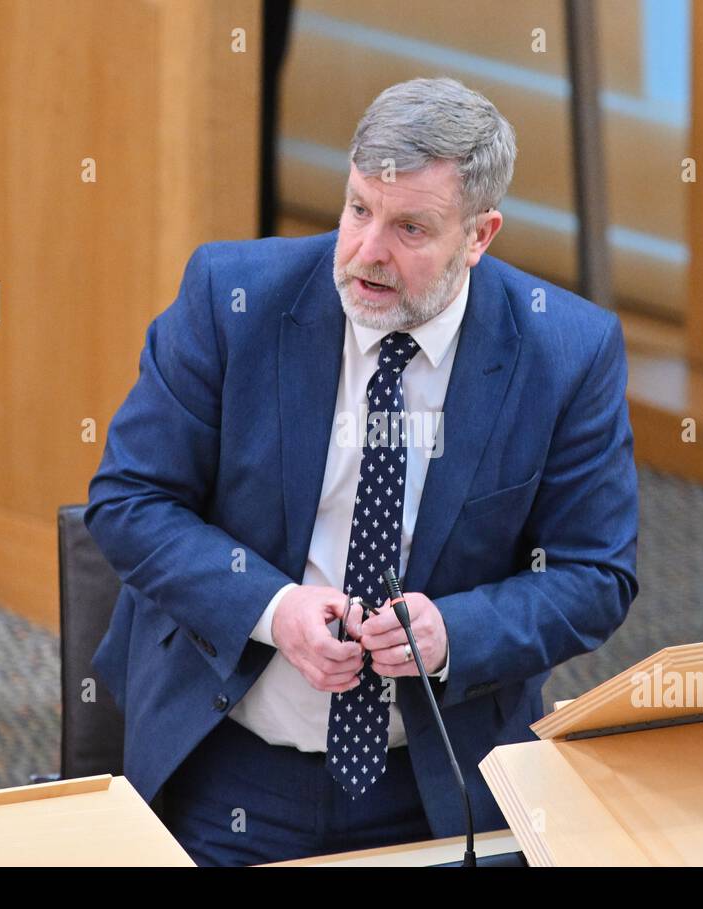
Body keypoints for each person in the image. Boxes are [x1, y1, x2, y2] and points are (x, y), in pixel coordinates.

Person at [85, 76, 639, 865]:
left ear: (479, 237)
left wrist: (454, 632)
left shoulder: (566, 354)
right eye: (357, 209)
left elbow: (595, 576)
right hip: (233, 763)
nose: (367, 252)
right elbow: (130, 501)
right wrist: (273, 609)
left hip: (441, 780)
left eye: (410, 227)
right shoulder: (230, 298)